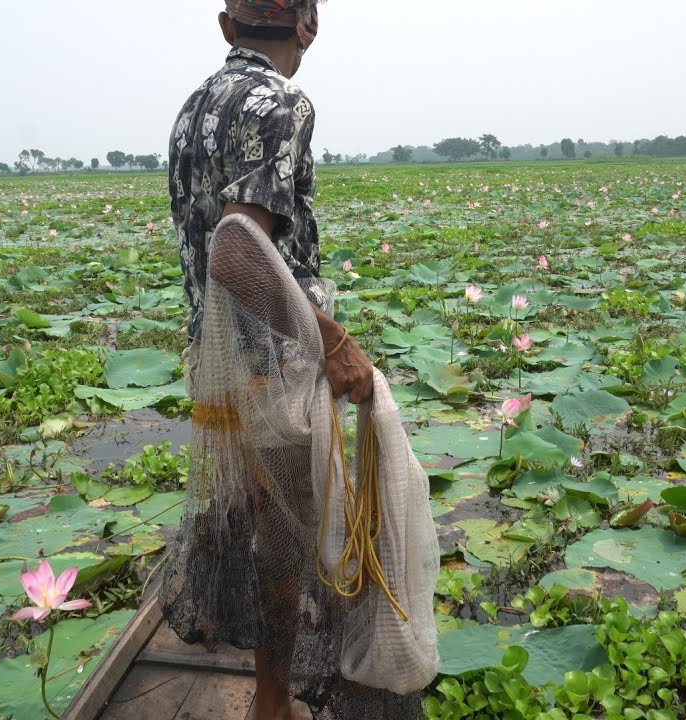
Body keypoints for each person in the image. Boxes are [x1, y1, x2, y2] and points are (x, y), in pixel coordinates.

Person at [163, 3, 403, 719]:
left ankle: (262, 681)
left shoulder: (193, 106)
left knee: (257, 519)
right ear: (309, 25)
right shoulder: (283, 102)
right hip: (271, 361)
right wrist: (334, 342)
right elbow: (238, 249)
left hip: (215, 357)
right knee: (285, 536)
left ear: (225, 24)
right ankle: (272, 701)